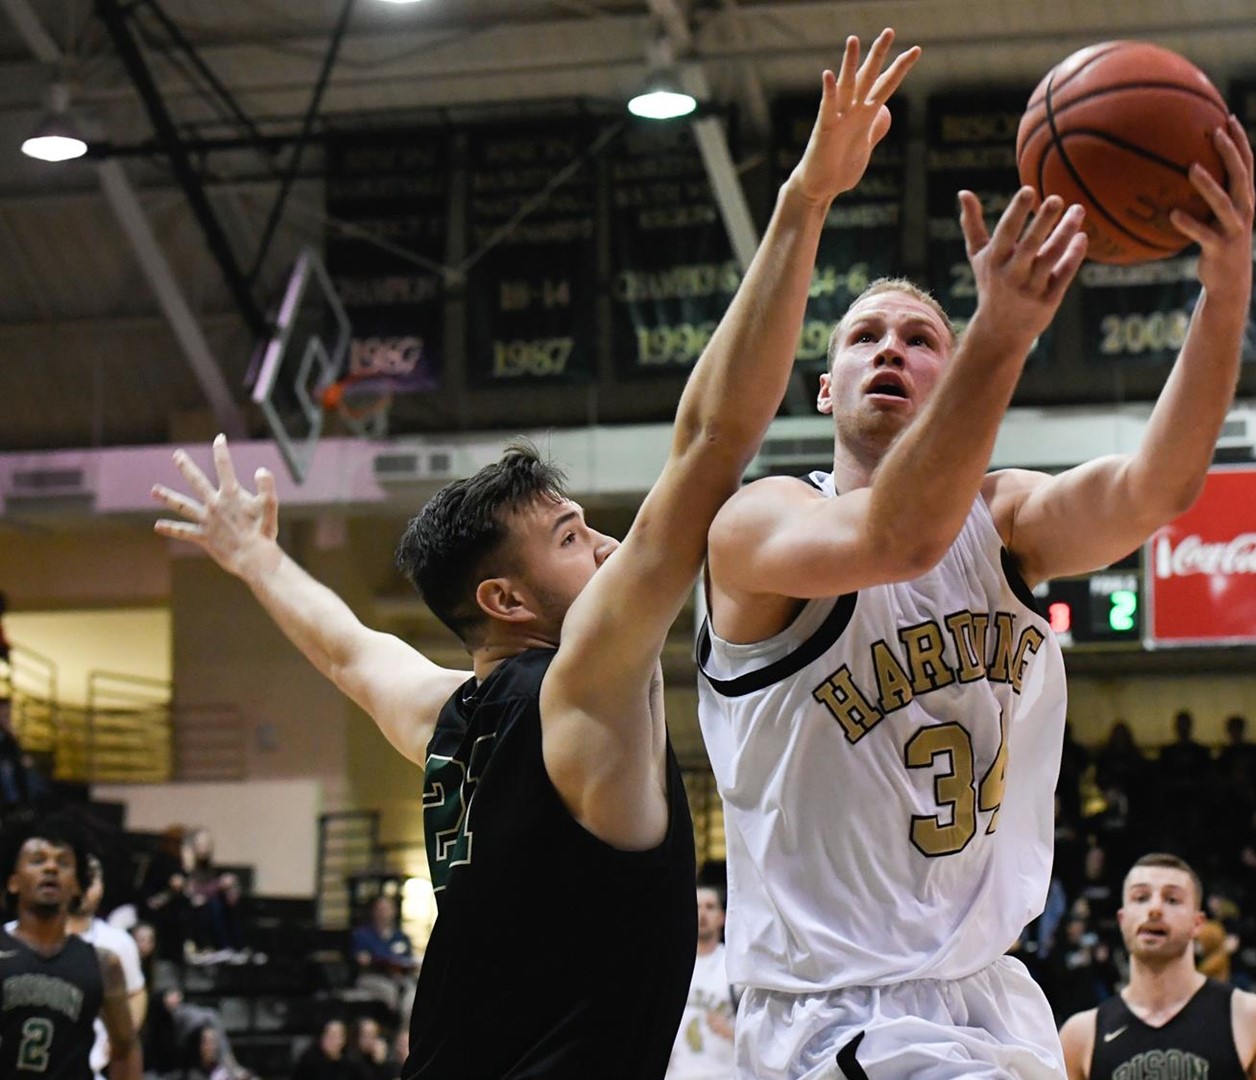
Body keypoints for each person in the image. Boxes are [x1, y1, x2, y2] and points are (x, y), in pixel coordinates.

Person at [149, 31, 920, 1077]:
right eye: (570, 535)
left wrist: (253, 558)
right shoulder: (585, 685)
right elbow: (710, 447)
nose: (606, 543)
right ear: (507, 598)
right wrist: (805, 200)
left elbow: (345, 648)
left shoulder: (443, 718)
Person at [697, 95, 1255, 1075]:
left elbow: (1158, 487)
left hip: (989, 992)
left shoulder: (1004, 521)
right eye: (865, 337)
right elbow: (897, 537)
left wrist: (1226, 285)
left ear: (948, 376)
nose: (890, 351)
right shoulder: (759, 523)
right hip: (832, 1007)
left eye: (920, 339)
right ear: (823, 389)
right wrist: (999, 333)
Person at [1060, 854, 1256, 1080]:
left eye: (1172, 899)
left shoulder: (1250, 1017)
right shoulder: (1080, 1035)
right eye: (1140, 897)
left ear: (1197, 923)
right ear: (1122, 920)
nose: (1154, 909)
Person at [0, 822, 140, 1079]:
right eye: (37, 860)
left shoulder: (102, 963)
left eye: (63, 863)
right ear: (13, 882)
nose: (51, 868)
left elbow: (125, 1048)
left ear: (77, 885)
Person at [665, 886, 733, 1080]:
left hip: (724, 1074)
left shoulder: (734, 965)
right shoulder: (671, 965)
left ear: (723, 917)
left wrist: (731, 1032)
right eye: (696, 907)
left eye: (710, 907)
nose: (702, 914)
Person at [349, 896, 417, 1026]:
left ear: (394, 911)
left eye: (387, 909)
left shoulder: (401, 937)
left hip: (399, 977)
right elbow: (362, 960)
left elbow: (408, 959)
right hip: (371, 977)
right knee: (390, 992)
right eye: (380, 909)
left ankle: (406, 1032)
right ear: (373, 911)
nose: (383, 913)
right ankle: (392, 1027)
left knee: (412, 994)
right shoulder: (361, 935)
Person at [291, 1019, 356, 1080]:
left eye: (336, 1036)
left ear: (344, 1040)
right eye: (328, 1035)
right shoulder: (309, 1061)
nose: (331, 1040)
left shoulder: (350, 1063)